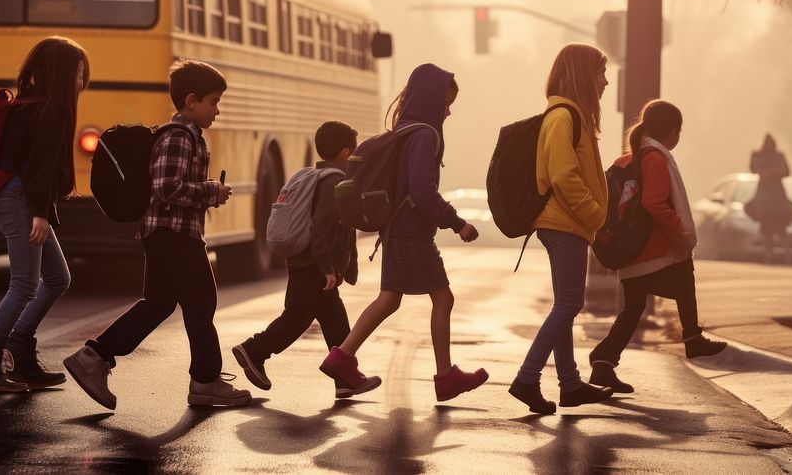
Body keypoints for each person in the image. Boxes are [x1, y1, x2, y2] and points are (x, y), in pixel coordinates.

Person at [63, 59, 249, 409]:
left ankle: (94, 357)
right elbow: (166, 188)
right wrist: (211, 192)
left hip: (169, 233)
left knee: (160, 303)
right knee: (201, 303)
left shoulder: (188, 135)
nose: (218, 111)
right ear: (190, 101)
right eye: (213, 102)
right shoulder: (179, 137)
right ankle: (206, 381)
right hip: (172, 234)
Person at [318, 63, 488, 403]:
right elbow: (421, 191)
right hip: (412, 233)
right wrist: (457, 223)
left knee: (390, 299)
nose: (449, 111)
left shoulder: (405, 130)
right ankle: (445, 376)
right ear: (431, 99)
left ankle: (342, 357)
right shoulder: (425, 135)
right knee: (442, 298)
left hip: (396, 230)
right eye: (446, 103)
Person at [0, 36, 90, 392]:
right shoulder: (53, 109)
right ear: (65, 73)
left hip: (14, 199)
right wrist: (40, 213)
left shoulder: (24, 105)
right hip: (21, 201)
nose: (83, 81)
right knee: (23, 284)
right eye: (80, 73)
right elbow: (39, 168)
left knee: (57, 278)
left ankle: (19, 348)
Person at [232, 120, 381, 399]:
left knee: (334, 317)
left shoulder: (318, 175)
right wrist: (326, 266)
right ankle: (254, 350)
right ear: (346, 153)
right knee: (297, 317)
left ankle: (345, 376)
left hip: (307, 260)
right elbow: (322, 226)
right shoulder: (334, 181)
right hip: (314, 263)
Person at [587, 99, 727, 395]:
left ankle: (602, 362)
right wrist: (681, 231)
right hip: (650, 251)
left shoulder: (627, 159)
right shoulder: (656, 158)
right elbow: (654, 203)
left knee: (633, 309)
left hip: (630, 251)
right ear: (673, 132)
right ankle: (692, 337)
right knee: (684, 274)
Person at [508, 43, 615, 416]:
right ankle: (527, 377)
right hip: (565, 224)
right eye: (600, 72)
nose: (605, 81)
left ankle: (569, 385)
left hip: (570, 224)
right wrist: (596, 218)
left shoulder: (574, 116)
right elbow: (563, 177)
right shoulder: (563, 117)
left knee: (565, 306)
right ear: (584, 75)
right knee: (569, 304)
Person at [745, 134, 792, 264]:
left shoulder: (774, 156)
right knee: (774, 229)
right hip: (769, 197)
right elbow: (753, 169)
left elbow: (785, 171)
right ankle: (777, 256)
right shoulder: (766, 156)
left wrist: (770, 172)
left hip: (774, 198)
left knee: (774, 228)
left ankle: (777, 256)